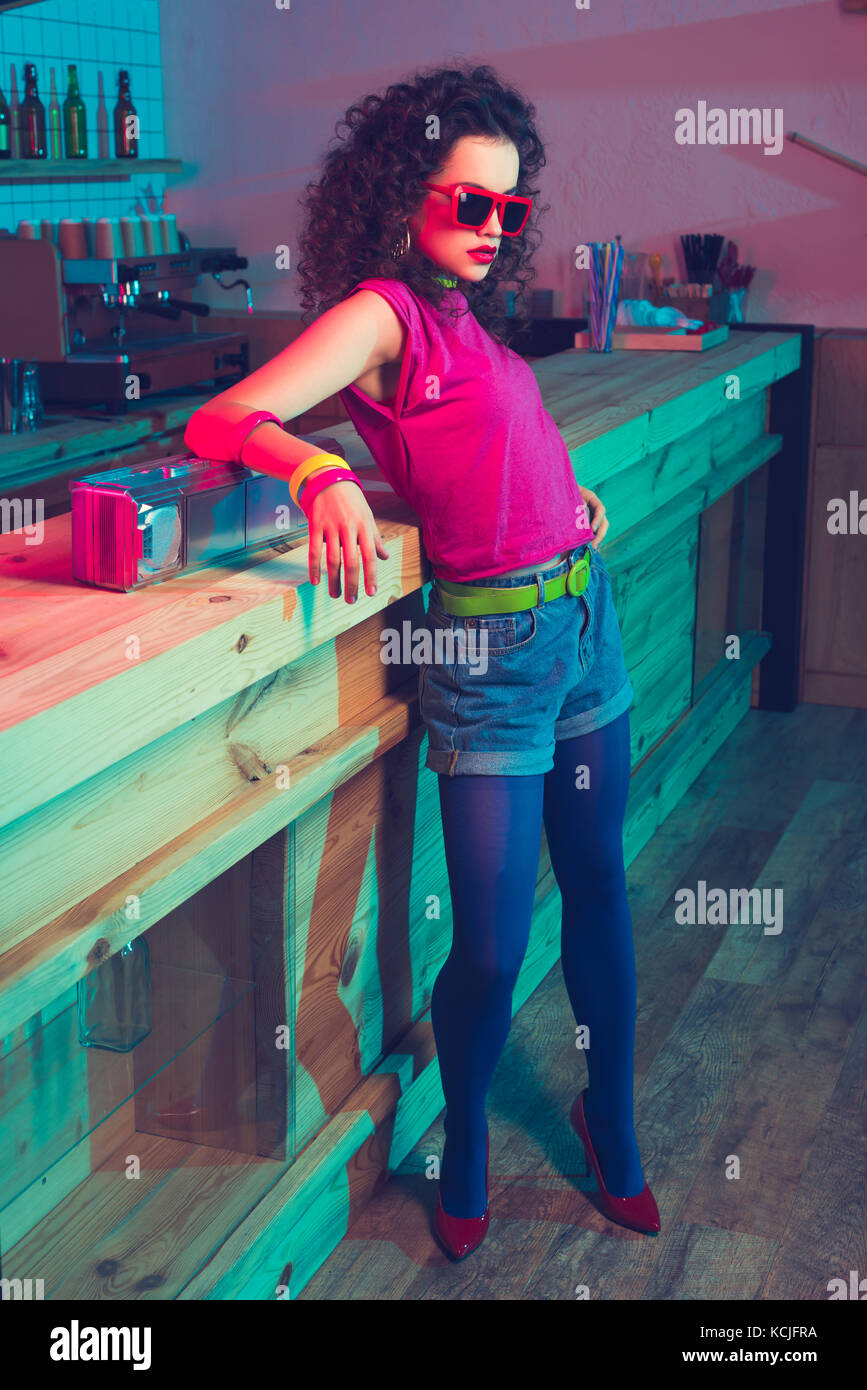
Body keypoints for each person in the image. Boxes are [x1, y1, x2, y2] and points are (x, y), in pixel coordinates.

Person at [185, 61, 660, 1262]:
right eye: (469, 203)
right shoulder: (381, 314)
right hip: (486, 650)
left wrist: (573, 503)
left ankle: (613, 1120)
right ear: (405, 196)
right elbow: (222, 421)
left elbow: (494, 457)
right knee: (495, 941)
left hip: (582, 616)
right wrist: (322, 470)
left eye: (509, 208)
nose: (495, 229)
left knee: (599, 889)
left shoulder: (472, 319)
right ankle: (464, 1131)